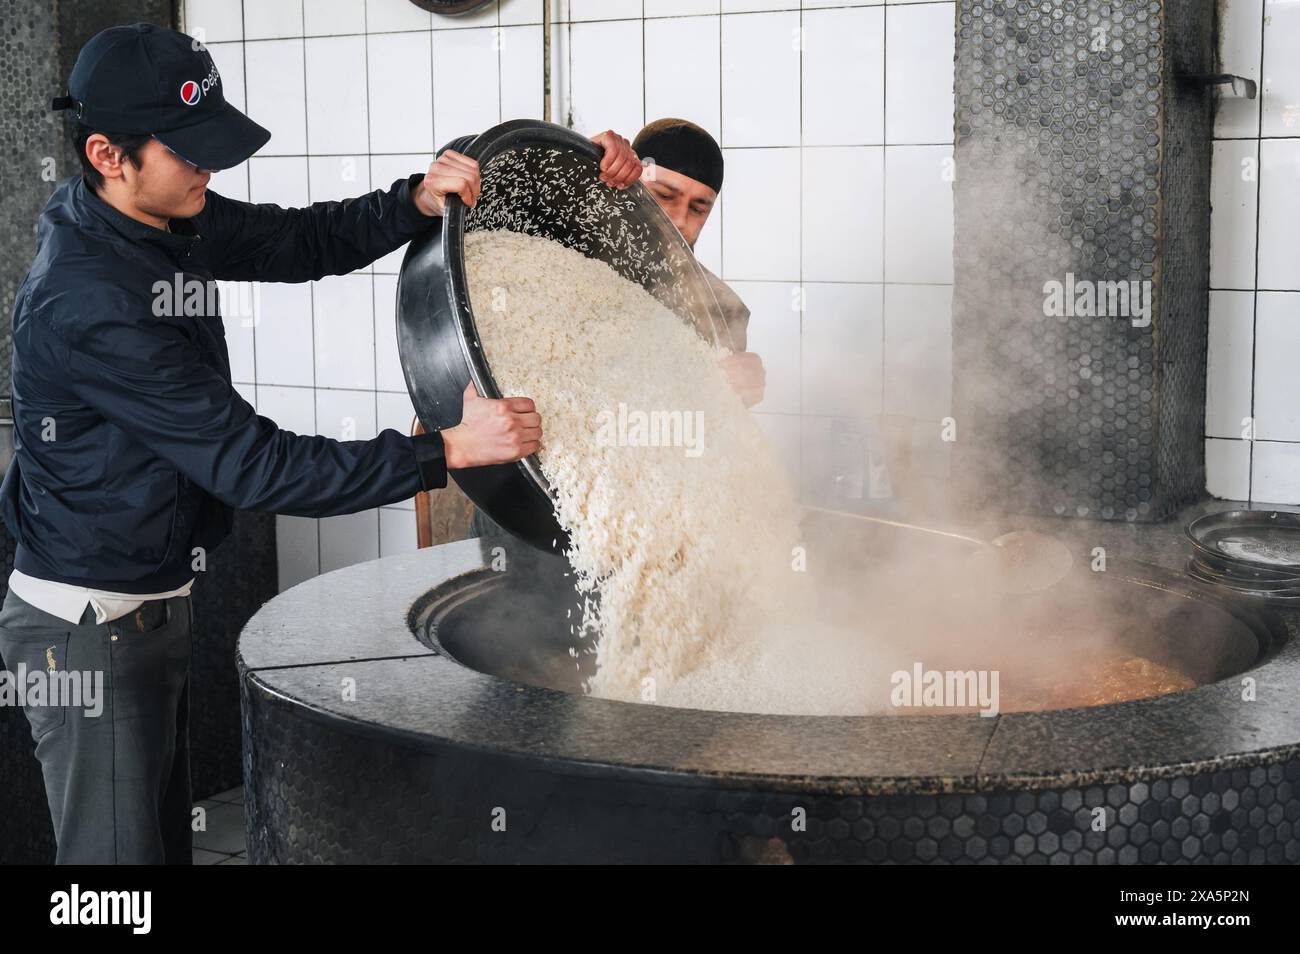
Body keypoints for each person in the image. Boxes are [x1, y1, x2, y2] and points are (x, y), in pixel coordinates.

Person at [0, 22, 642, 865]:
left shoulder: (149, 218)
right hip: (90, 623)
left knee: (150, 857)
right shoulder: (91, 301)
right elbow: (255, 465)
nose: (210, 170)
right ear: (108, 154)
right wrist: (442, 451)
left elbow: (293, 241)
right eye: (189, 152)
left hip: (144, 602)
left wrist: (413, 198)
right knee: (112, 880)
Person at [467, 117, 765, 540]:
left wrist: (738, 400)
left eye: (699, 208)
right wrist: (574, 160)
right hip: (520, 510)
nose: (680, 221)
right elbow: (487, 197)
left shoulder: (719, 310)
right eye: (664, 195)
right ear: (631, 182)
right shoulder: (556, 244)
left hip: (636, 527)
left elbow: (705, 441)